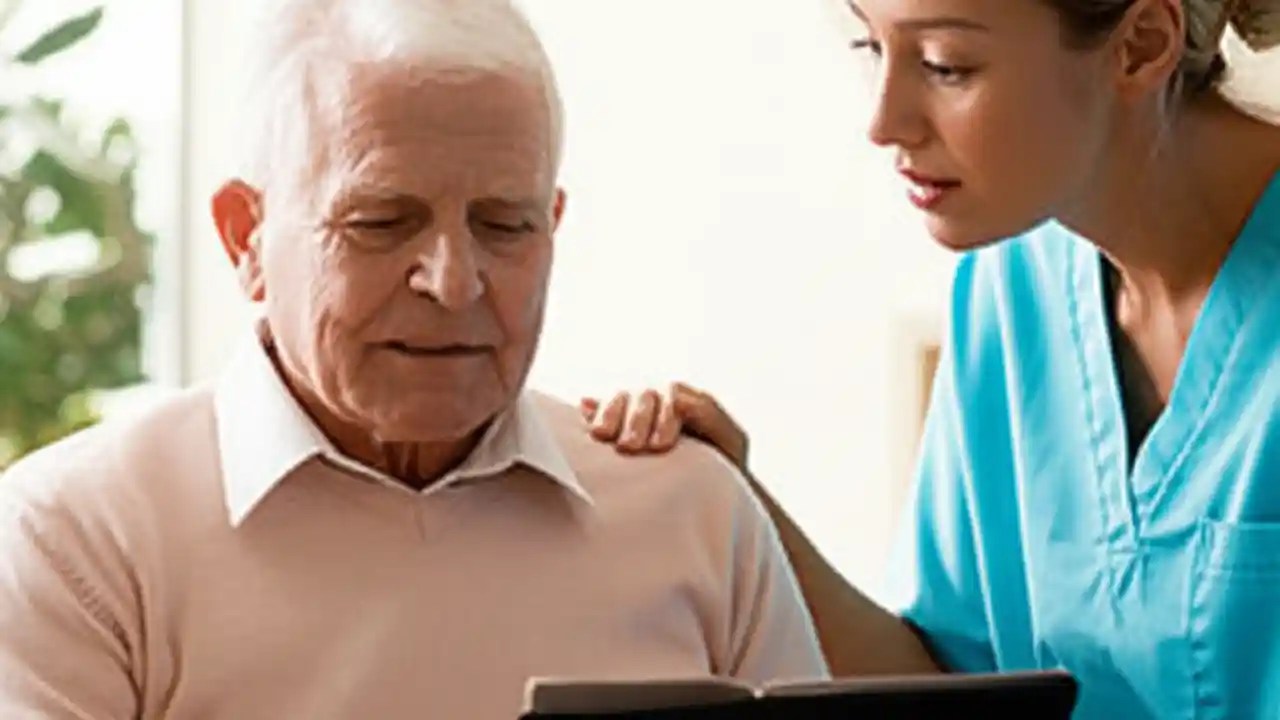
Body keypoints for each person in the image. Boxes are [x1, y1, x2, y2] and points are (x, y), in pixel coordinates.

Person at [0, 1, 828, 717]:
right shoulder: (74, 542)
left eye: (505, 224)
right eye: (382, 221)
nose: (455, 281)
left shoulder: (695, 515)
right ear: (244, 236)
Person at [581, 0, 1280, 717]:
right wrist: (735, 505)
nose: (884, 122)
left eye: (947, 66)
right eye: (870, 48)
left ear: (1138, 44)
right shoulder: (1011, 287)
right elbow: (952, 683)